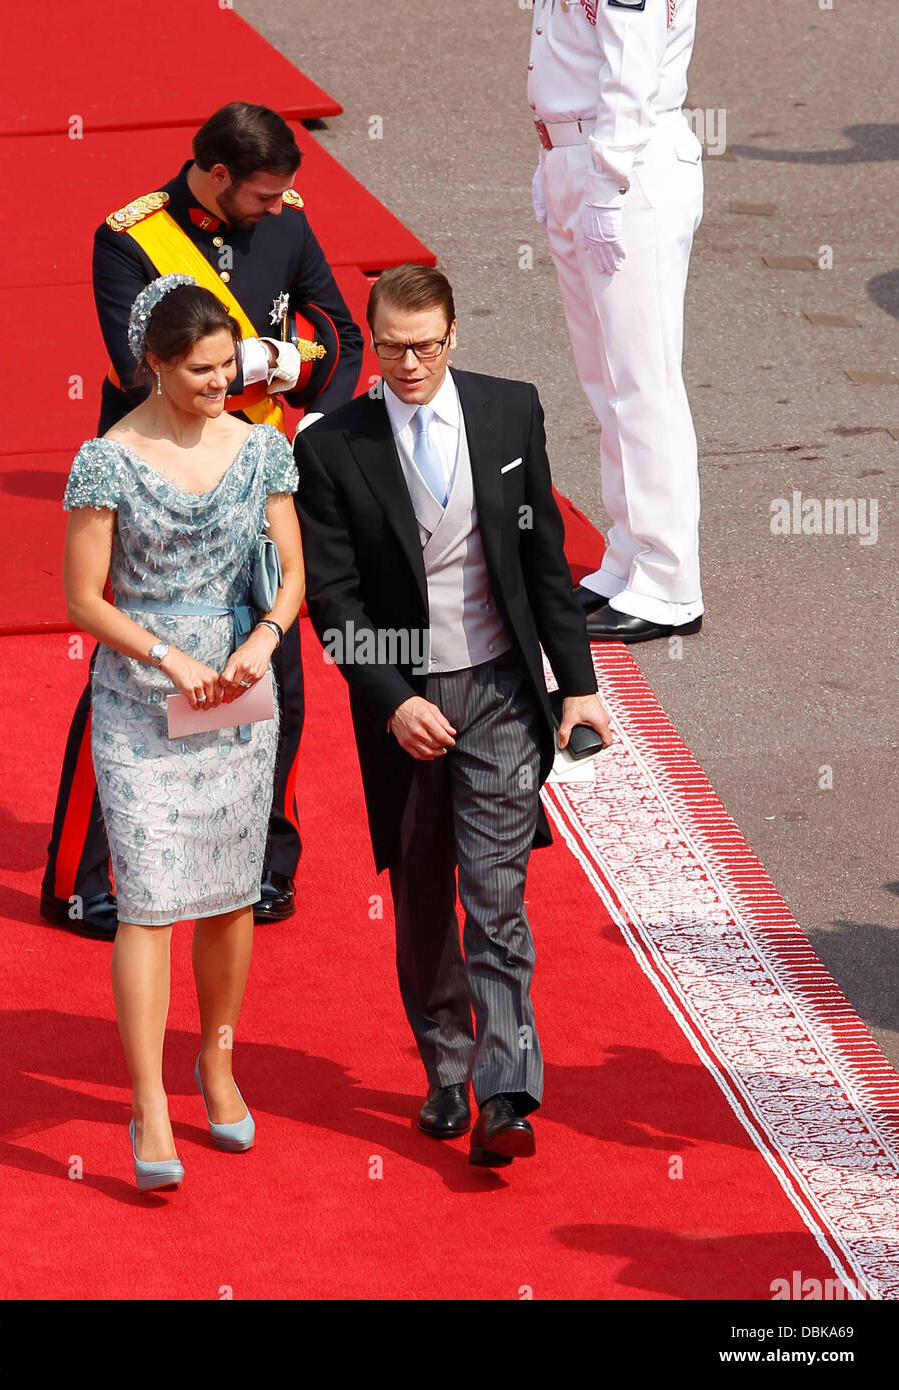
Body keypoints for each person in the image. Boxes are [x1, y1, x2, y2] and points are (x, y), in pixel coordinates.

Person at [294, 265, 612, 1168]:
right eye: (389, 345)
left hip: (502, 691)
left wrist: (576, 682)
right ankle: (446, 1066)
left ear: (453, 335)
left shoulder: (510, 411)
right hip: (404, 700)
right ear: (371, 339)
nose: (406, 362)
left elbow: (543, 559)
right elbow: (335, 601)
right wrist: (393, 704)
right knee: (425, 890)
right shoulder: (330, 446)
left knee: (496, 892)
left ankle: (505, 1090)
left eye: (424, 345)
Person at [42, 102, 362, 939]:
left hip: (255, 469)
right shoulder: (130, 238)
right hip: (161, 476)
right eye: (257, 195)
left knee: (275, 674)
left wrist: (304, 377)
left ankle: (262, 861)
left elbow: (339, 331)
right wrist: (254, 355)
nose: (271, 209)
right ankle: (80, 875)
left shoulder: (285, 220)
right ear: (216, 175)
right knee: (131, 685)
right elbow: (131, 356)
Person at [62, 277, 304, 1190]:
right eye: (201, 369)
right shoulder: (107, 461)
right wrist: (170, 656)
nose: (221, 382)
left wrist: (265, 638)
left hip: (240, 693)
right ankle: (147, 1100)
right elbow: (84, 598)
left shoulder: (261, 447)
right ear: (154, 366)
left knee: (232, 896)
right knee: (150, 902)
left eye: (228, 365)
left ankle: (215, 1061)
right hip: (140, 701)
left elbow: (290, 573)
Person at [528, 0, 704, 643]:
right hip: (581, 154)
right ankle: (631, 554)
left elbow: (632, 63)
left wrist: (606, 179)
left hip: (626, 165)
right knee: (606, 382)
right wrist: (555, 163)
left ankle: (669, 582)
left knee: (642, 384)